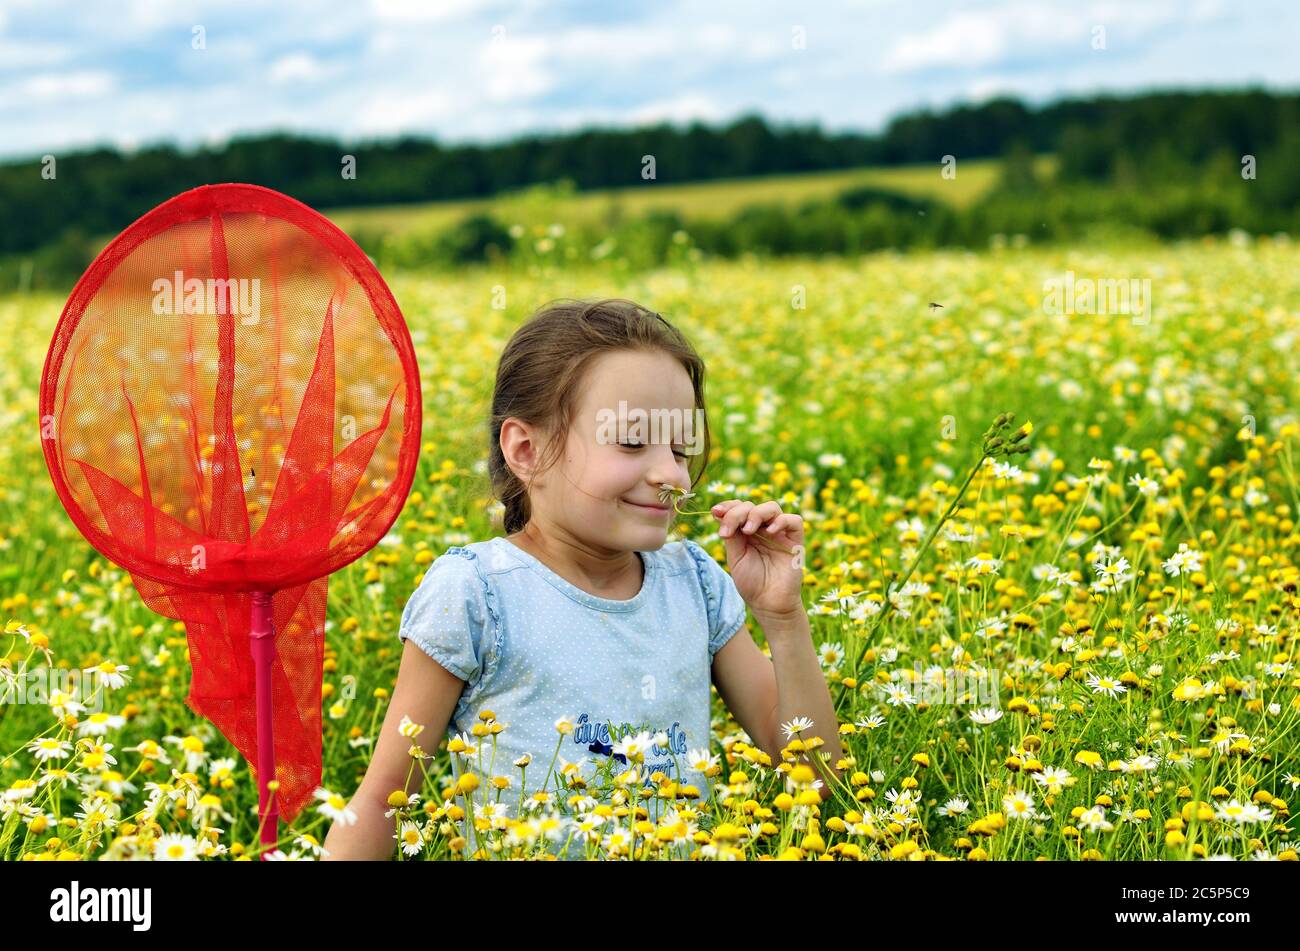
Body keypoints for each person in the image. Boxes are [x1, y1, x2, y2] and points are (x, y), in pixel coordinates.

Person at [322, 298, 840, 859]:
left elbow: (810, 775)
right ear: (527, 450)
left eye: (681, 447)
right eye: (632, 443)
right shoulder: (477, 592)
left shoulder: (694, 584)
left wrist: (783, 621)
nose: (671, 473)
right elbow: (380, 802)